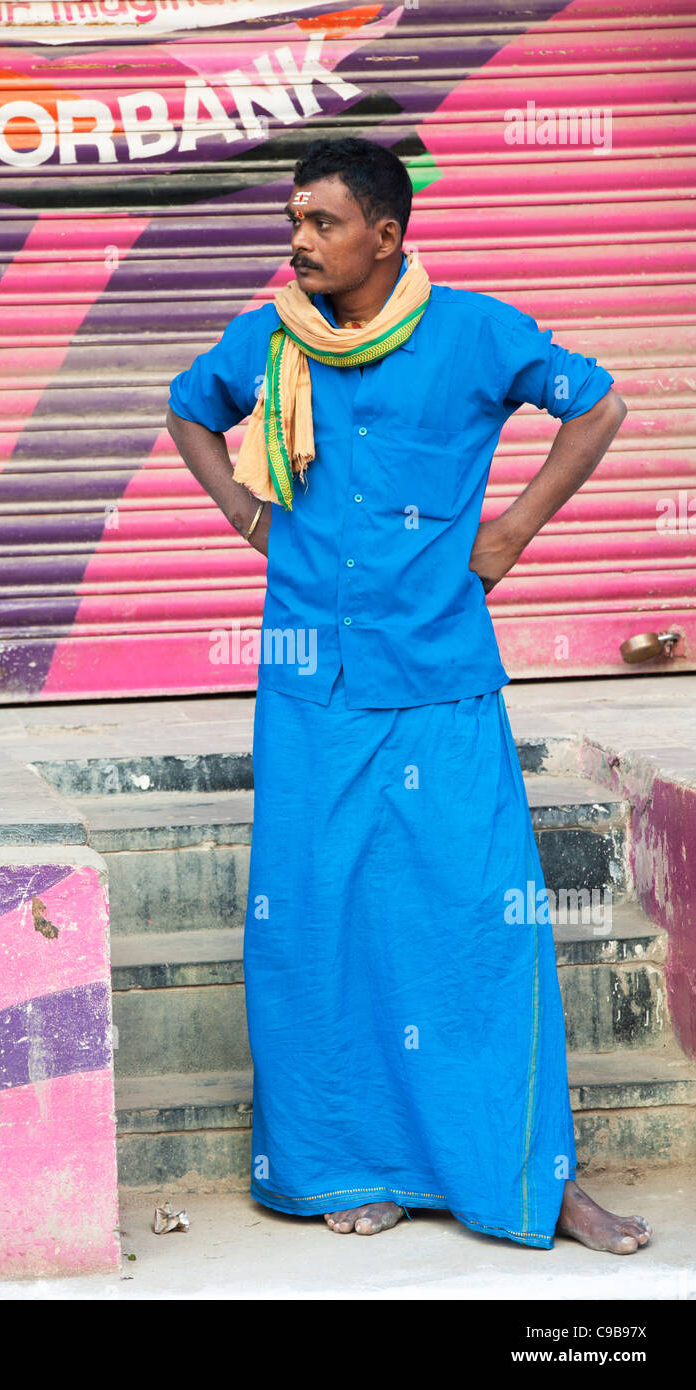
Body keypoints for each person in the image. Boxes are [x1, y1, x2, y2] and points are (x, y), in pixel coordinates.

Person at [166, 137, 652, 1255]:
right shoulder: (268, 341)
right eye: (292, 218)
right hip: (310, 687)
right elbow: (189, 409)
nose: (299, 239)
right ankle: (341, 1161)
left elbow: (599, 409)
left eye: (322, 221)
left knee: (486, 919)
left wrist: (512, 531)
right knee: (316, 924)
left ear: (385, 233)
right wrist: (249, 517)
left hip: (439, 673)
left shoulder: (476, 330)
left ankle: (529, 1174)